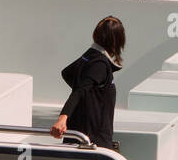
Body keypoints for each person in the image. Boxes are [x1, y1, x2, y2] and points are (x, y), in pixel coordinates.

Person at [50, 16, 124, 147]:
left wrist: (90, 97)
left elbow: (67, 73)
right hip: (93, 142)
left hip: (79, 135)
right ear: (118, 41)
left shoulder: (89, 55)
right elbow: (80, 91)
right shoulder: (99, 64)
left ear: (96, 35)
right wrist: (62, 118)